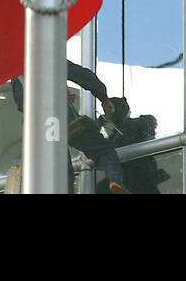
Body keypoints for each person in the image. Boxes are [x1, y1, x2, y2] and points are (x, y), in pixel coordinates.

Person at [10, 61, 130, 194]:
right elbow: (83, 75)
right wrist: (104, 99)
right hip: (59, 117)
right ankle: (115, 179)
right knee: (103, 150)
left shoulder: (15, 72)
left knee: (62, 171)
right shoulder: (47, 57)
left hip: (36, 127)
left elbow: (21, 101)